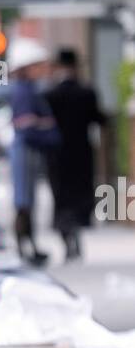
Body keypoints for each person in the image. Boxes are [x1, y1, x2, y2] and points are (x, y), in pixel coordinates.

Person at [45, 48, 106, 261]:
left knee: (61, 197)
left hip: (57, 155)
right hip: (81, 154)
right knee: (78, 196)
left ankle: (67, 236)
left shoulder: (50, 95)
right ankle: (76, 234)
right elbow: (100, 120)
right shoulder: (87, 93)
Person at [6, 38, 62, 265]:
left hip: (27, 151)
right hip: (25, 151)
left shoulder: (27, 90)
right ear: (27, 67)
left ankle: (28, 245)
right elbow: (28, 127)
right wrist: (50, 131)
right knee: (24, 201)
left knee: (27, 200)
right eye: (38, 65)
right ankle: (24, 247)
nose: (42, 69)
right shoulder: (24, 92)